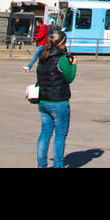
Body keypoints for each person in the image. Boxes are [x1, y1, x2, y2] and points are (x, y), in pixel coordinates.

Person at [35, 27, 77, 168]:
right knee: (60, 134)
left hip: (43, 101)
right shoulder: (62, 59)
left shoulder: (42, 58)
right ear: (60, 44)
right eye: (65, 43)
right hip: (59, 101)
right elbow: (69, 77)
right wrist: (74, 65)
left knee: (45, 132)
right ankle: (58, 165)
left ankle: (41, 164)